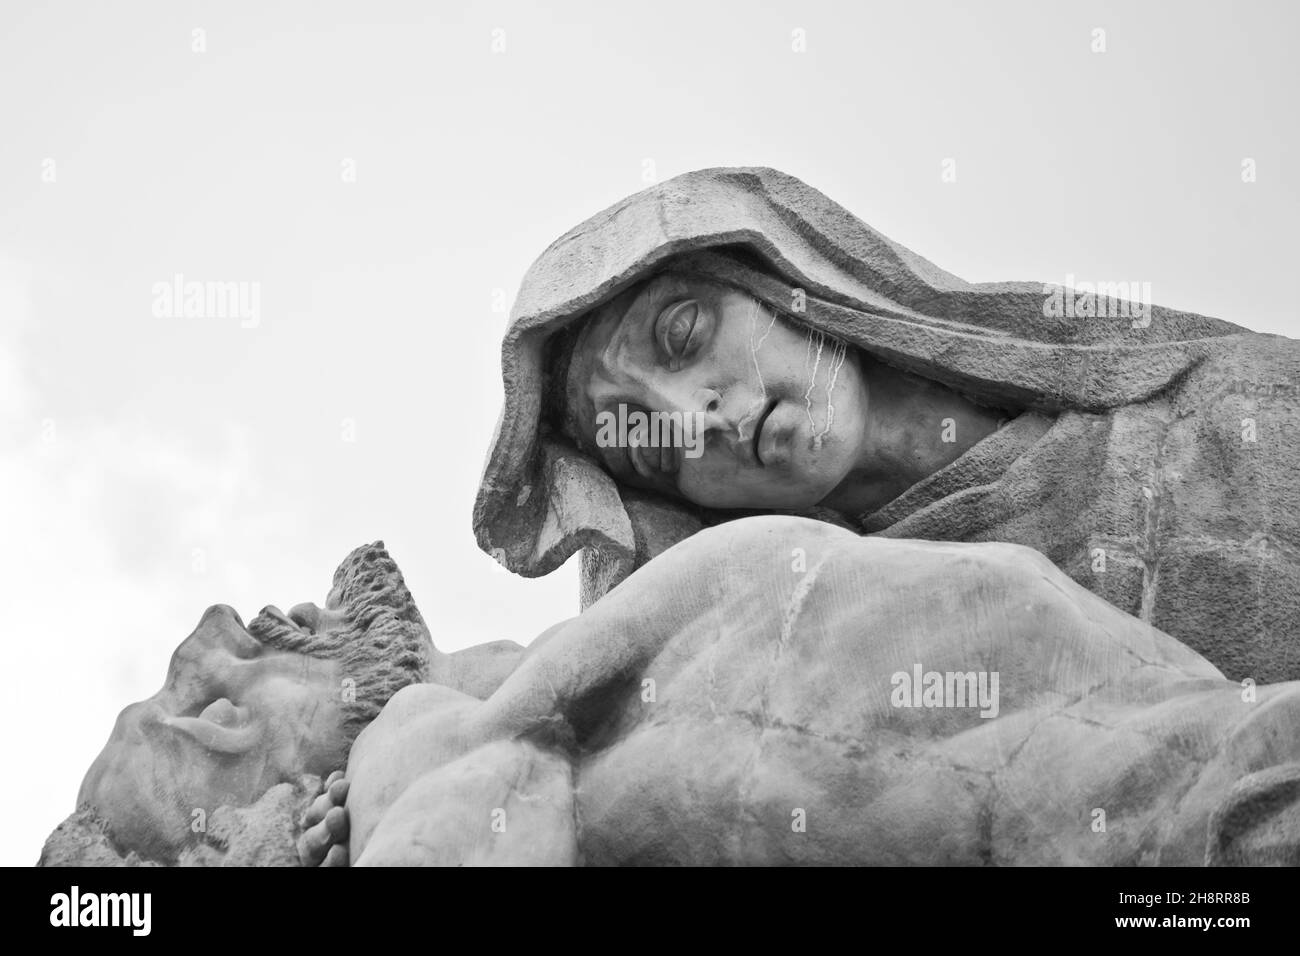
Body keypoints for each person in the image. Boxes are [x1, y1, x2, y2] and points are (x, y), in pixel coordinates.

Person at [474, 167, 1300, 682]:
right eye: (646, 451)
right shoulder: (867, 688)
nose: (696, 420)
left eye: (684, 335)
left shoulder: (1245, 407)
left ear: (778, 280)